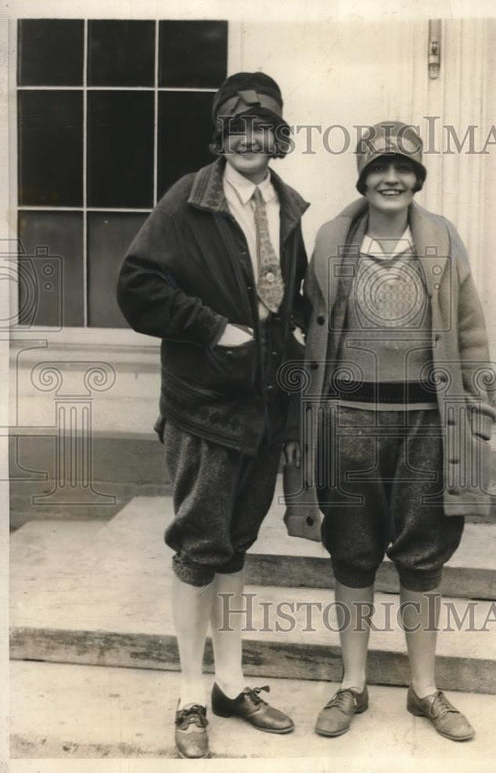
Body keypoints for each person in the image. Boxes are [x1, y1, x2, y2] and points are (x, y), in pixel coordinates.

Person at [117, 72, 309, 759]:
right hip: (203, 407)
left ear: (278, 136)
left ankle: (232, 684)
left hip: (264, 407)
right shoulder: (187, 200)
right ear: (221, 137)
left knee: (237, 548)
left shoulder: (286, 206)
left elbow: (294, 308)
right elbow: (136, 286)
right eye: (238, 129)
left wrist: (303, 353)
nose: (251, 139)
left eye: (263, 127)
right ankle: (190, 696)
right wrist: (214, 328)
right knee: (199, 551)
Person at [292, 121, 496, 742]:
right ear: (363, 176)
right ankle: (351, 684)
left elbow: (469, 328)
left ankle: (425, 689)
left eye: (403, 168)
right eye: (380, 167)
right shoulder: (331, 240)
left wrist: (479, 408)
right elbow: (310, 324)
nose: (391, 178)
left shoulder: (442, 240)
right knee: (352, 550)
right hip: (348, 419)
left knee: (423, 552)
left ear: (417, 178)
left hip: (426, 424)